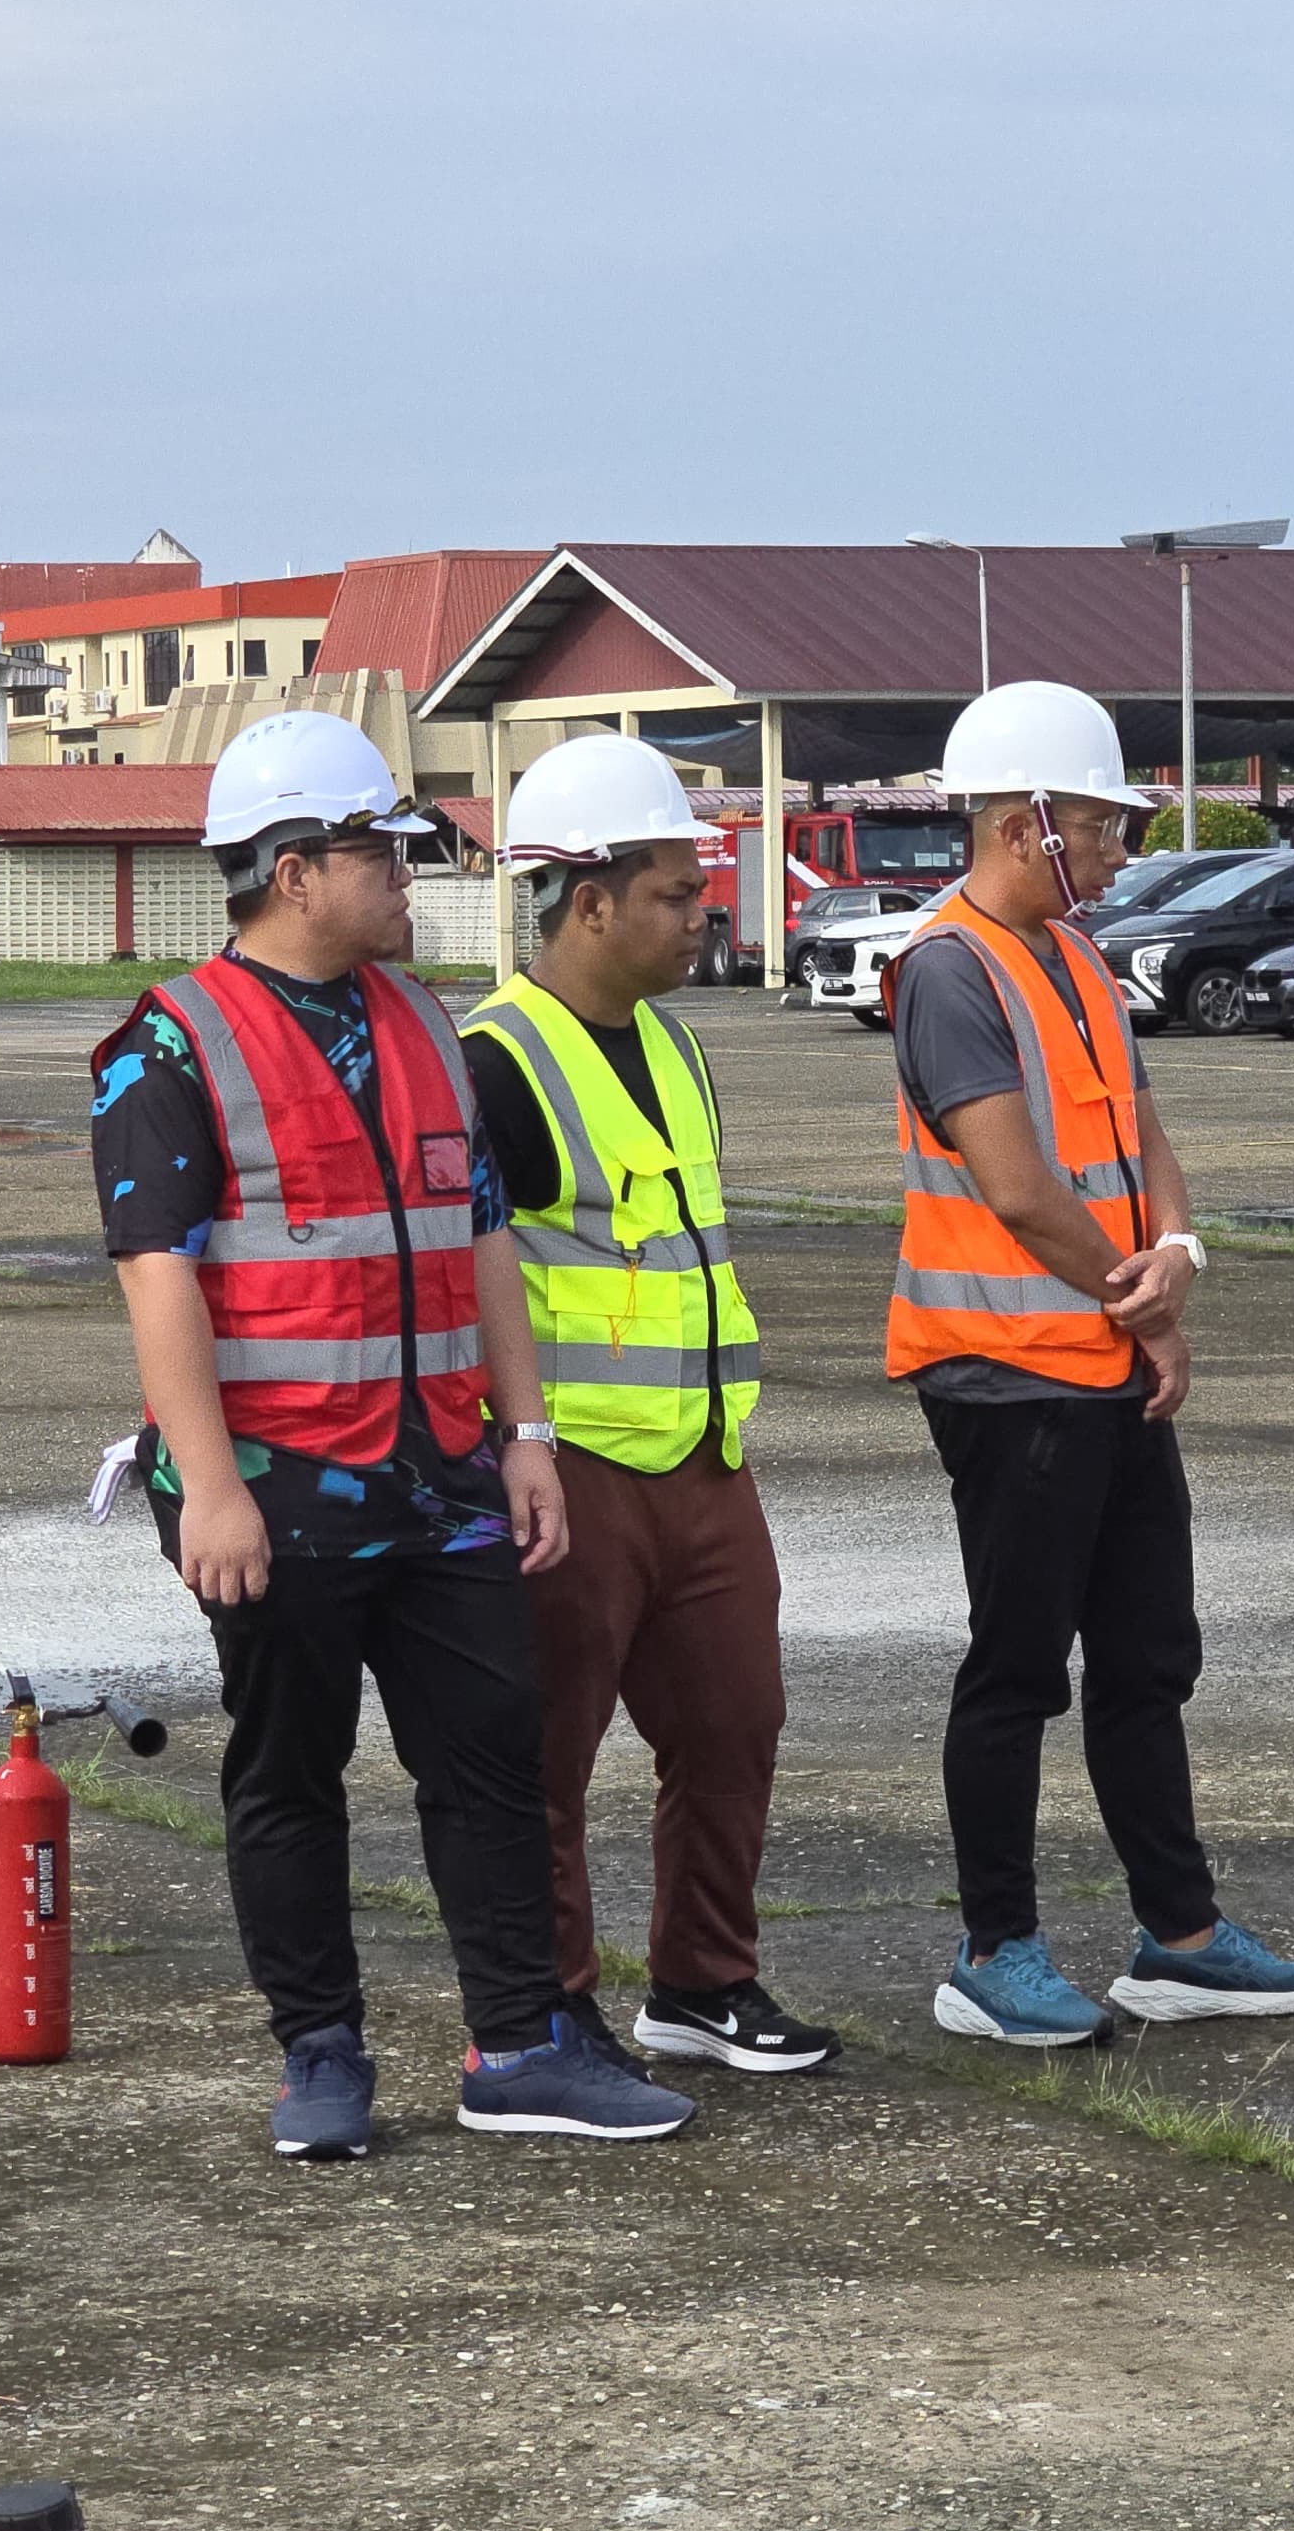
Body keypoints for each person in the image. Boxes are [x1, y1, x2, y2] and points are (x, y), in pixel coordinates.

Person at [91, 711, 697, 2158]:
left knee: (492, 1759)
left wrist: (526, 1431)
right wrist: (213, 1490)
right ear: (295, 870)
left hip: (441, 1476)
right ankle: (321, 2055)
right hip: (278, 1488)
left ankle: (520, 2046)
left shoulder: (427, 1024)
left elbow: (482, 1239)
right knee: (290, 1773)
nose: (410, 875)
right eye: (382, 853)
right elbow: (157, 1277)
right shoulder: (169, 1044)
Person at [885, 677, 1294, 2047]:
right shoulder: (949, 968)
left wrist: (1178, 1251)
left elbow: (1141, 1133)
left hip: (1105, 1359)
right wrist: (1145, 1309)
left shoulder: (1076, 962)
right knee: (1018, 1669)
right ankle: (994, 1950)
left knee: (1147, 1657)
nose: (1119, 849)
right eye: (1099, 824)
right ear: (1021, 822)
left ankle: (1178, 1936)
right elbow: (1018, 1190)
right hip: (1008, 1370)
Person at [462, 734, 836, 2080]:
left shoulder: (677, 1047)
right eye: (677, 893)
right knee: (546, 1757)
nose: (702, 916)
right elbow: (470, 1281)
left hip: (703, 1452)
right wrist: (518, 1446)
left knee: (737, 1721)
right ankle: (556, 2006)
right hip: (569, 1470)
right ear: (591, 901)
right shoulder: (493, 1063)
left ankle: (703, 1983)